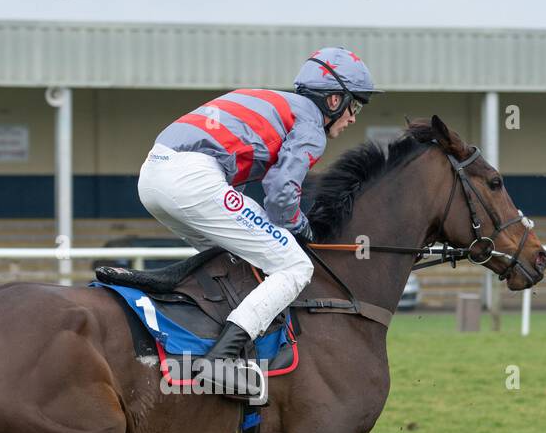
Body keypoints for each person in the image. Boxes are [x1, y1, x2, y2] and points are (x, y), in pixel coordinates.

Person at [137, 46, 380, 395]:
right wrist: (301, 227)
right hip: (192, 178)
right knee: (295, 267)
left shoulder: (274, 100)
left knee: (233, 264)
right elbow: (281, 194)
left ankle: (209, 345)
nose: (354, 117)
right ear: (332, 101)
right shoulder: (310, 124)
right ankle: (220, 360)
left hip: (152, 177)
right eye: (354, 105)